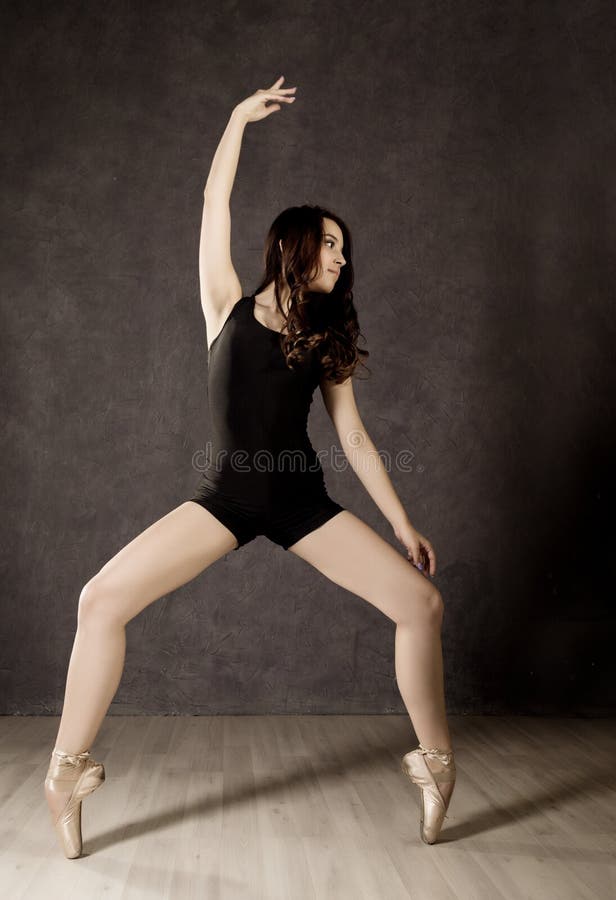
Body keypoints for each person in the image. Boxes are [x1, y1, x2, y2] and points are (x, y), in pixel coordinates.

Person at [44, 76, 456, 858]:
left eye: (344, 248)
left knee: (421, 606)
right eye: (331, 243)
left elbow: (355, 438)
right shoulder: (225, 303)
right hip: (227, 499)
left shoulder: (324, 338)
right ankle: (65, 772)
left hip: (300, 501)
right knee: (99, 601)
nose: (343, 257)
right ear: (297, 245)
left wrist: (402, 522)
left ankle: (436, 764)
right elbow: (212, 205)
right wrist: (236, 119)